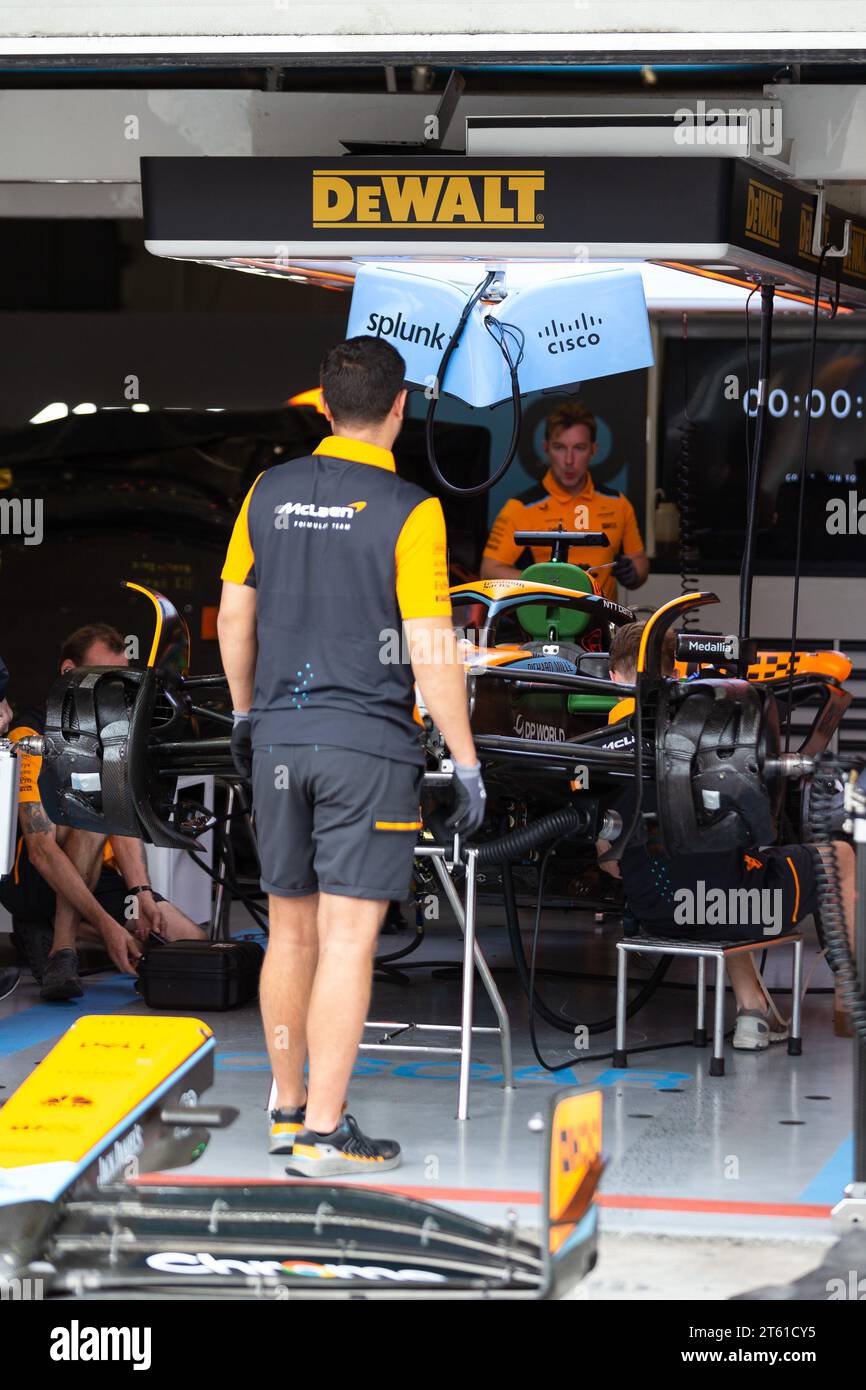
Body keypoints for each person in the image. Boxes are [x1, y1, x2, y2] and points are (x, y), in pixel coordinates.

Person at [218, 334, 485, 1175]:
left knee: (289, 933)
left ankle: (289, 1110)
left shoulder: (267, 490)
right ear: (400, 409)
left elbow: (233, 618)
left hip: (279, 742)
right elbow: (431, 641)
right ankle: (326, 1135)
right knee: (345, 942)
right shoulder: (413, 509)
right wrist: (468, 761)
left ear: (323, 407)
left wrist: (245, 714)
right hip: (367, 747)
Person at [598, 621, 857, 1049]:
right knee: (839, 856)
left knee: (708, 881)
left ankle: (754, 1010)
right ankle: (849, 997)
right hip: (731, 907)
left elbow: (611, 867)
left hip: (655, 911)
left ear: (612, 678)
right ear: (678, 674)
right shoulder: (716, 734)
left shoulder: (594, 748)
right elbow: (755, 831)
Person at [0, 623, 205, 1001]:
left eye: (122, 680)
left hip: (94, 875)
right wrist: (111, 928)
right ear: (68, 673)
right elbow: (42, 850)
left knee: (191, 941)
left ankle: (68, 930)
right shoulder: (29, 733)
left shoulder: (113, 735)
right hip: (33, 879)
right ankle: (64, 945)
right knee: (90, 822)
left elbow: (123, 824)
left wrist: (142, 894)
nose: (116, 690)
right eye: (105, 678)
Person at [481, 401, 649, 600]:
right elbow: (489, 571)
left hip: (604, 624)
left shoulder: (618, 503)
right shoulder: (520, 508)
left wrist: (634, 572)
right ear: (546, 448)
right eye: (559, 447)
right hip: (545, 622)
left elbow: (638, 559)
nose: (569, 460)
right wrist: (547, 582)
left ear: (593, 450)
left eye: (579, 448)